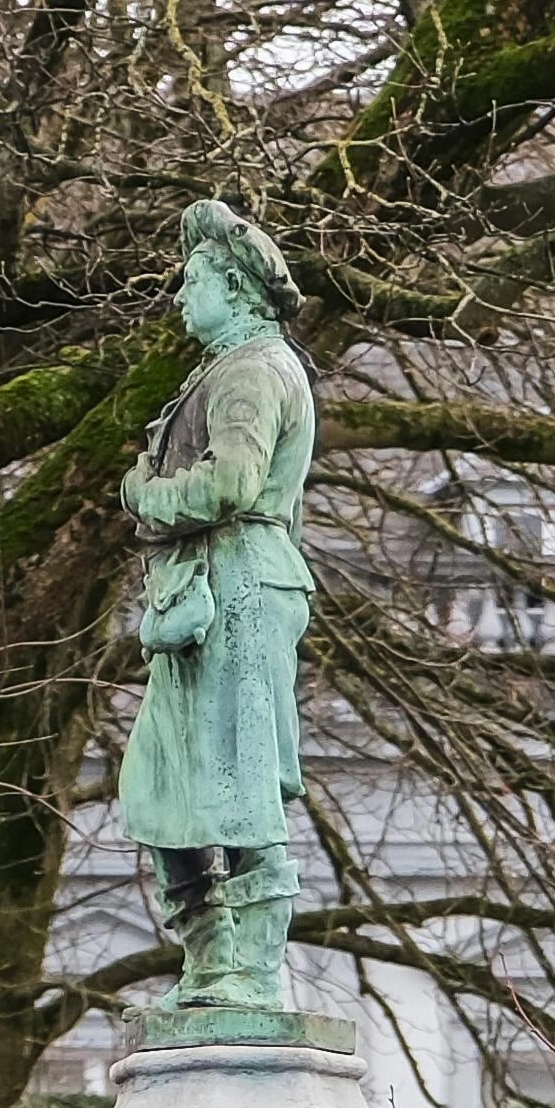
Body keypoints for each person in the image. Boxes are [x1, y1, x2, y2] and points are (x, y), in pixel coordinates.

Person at [118, 201, 318, 1015]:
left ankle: (250, 973)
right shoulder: (232, 368)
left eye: (191, 281)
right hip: (207, 593)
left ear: (234, 288)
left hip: (236, 587)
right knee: (166, 788)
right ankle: (211, 964)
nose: (177, 297)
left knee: (238, 788)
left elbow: (232, 484)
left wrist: (146, 495)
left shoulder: (252, 371)